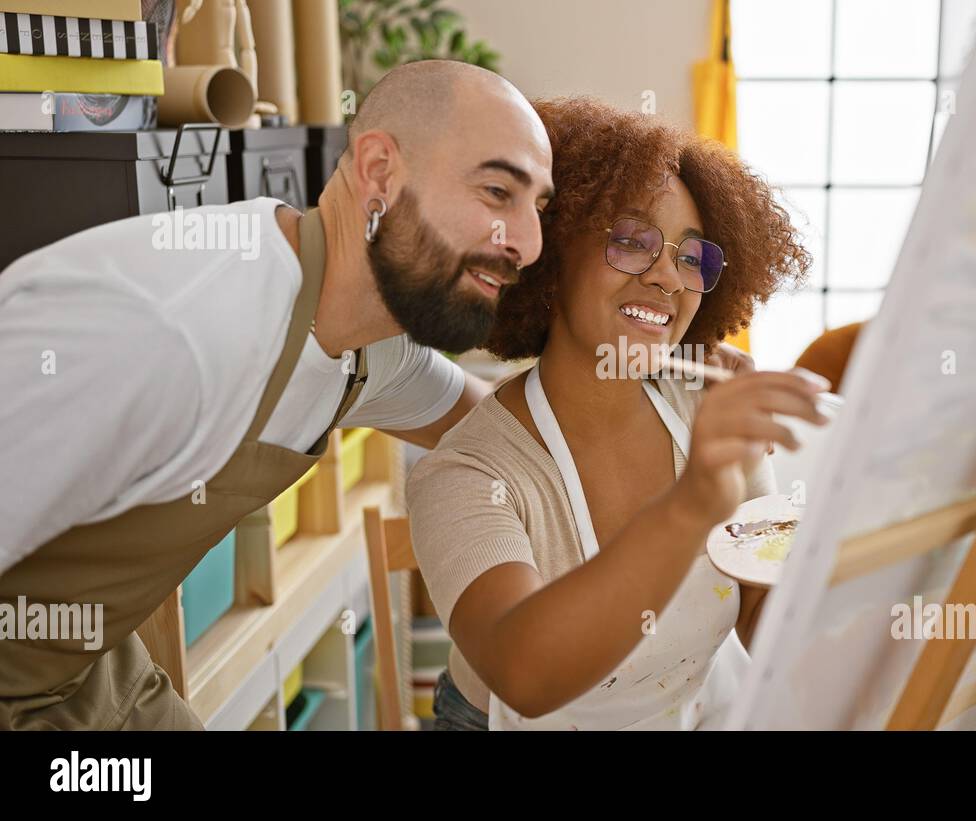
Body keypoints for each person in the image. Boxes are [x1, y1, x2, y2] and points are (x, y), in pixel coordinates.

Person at [0, 60, 555, 730]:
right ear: (379, 173)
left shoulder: (366, 347)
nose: (527, 243)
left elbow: (513, 430)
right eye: (498, 192)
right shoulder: (172, 333)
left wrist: (677, 394)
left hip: (85, 677)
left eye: (539, 208)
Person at [407, 97, 827, 730]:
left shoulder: (707, 409)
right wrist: (695, 502)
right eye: (632, 243)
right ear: (550, 251)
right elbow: (528, 675)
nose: (667, 277)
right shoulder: (466, 473)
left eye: (692, 257)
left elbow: (760, 610)